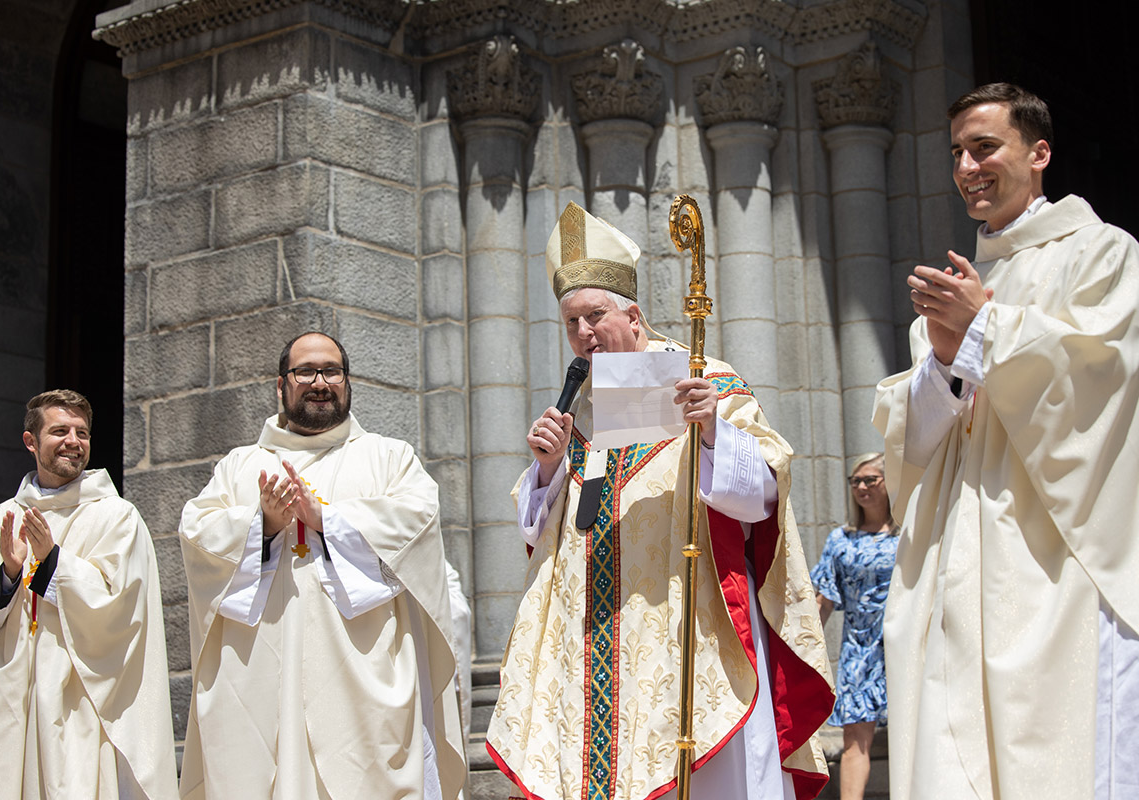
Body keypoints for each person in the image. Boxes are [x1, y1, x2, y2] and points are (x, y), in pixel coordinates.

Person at [487, 202, 834, 800]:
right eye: (571, 324)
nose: (584, 335)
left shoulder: (704, 379)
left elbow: (763, 498)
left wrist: (713, 431)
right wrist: (547, 472)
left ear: (634, 314)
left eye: (595, 316)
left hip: (690, 632)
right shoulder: (580, 414)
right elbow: (554, 541)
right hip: (597, 646)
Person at [873, 82, 1139, 799]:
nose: (966, 166)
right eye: (956, 152)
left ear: (1039, 152)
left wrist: (984, 331)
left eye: (984, 147)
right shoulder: (961, 285)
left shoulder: (1102, 254)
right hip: (957, 562)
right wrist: (941, 359)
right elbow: (918, 443)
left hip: (1052, 562)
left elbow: (1106, 382)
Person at [178, 332, 465, 800]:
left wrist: (326, 519)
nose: (319, 382)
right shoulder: (240, 465)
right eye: (306, 371)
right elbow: (197, 532)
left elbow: (418, 521)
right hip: (259, 683)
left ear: (347, 382)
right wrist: (263, 524)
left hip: (362, 683)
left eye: (331, 371)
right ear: (280, 385)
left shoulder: (388, 457)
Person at [0, 389, 178, 799]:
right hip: (9, 701)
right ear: (30, 441)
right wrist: (9, 573)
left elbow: (123, 606)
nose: (74, 441)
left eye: (82, 433)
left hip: (80, 701)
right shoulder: (0, 519)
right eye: (60, 431)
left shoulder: (115, 516)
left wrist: (54, 562)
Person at [809, 453, 898, 800]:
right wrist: (804, 647)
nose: (862, 487)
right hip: (859, 650)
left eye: (871, 479)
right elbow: (825, 598)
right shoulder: (841, 540)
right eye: (856, 481)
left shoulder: (910, 534)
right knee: (854, 741)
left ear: (890, 483)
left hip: (901, 644)